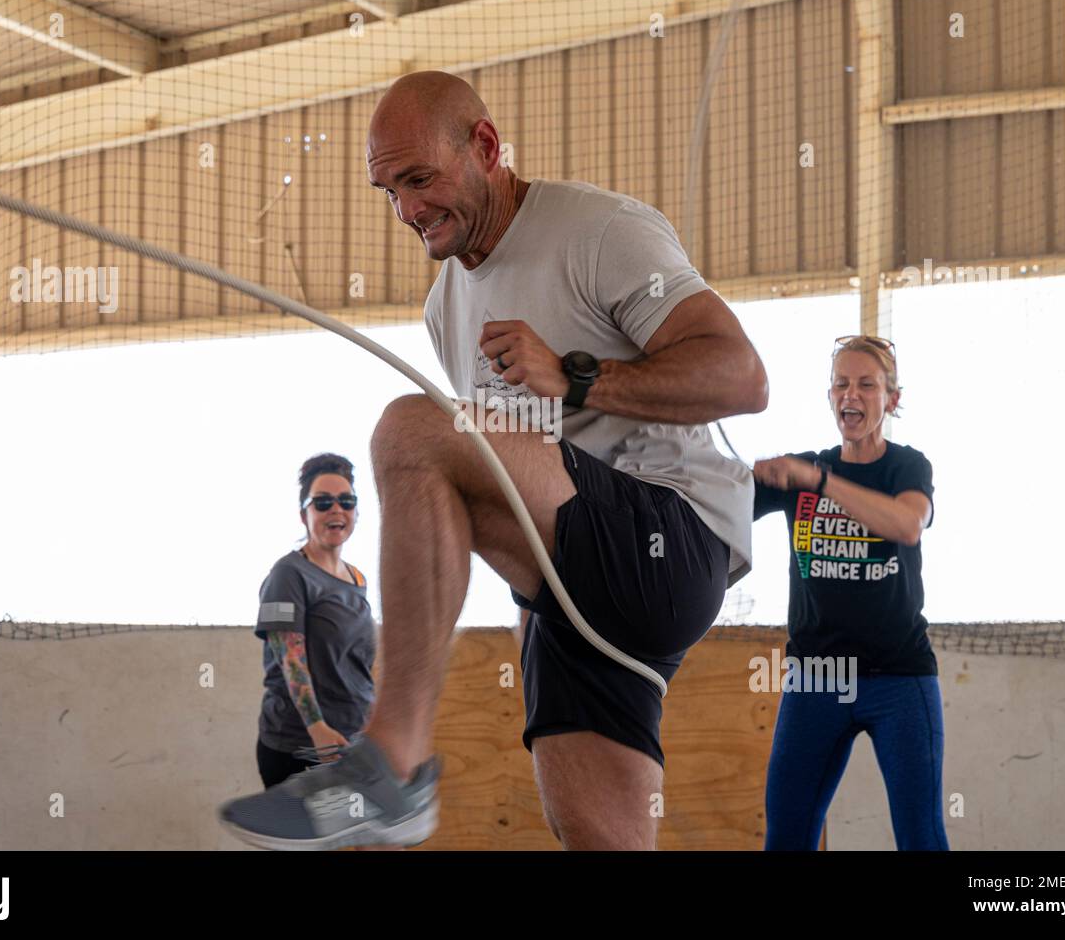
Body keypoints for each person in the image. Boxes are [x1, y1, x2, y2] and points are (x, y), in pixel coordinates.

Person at [220, 70, 768, 851]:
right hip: (572, 592)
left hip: (669, 538)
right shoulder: (445, 308)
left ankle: (391, 767)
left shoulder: (599, 229)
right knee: (597, 835)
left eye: (419, 178)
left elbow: (743, 379)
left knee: (410, 432)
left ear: (483, 147)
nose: (407, 211)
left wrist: (578, 374)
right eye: (389, 192)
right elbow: (498, 489)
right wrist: (537, 631)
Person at [752, 334, 948, 850]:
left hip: (899, 677)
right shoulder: (801, 468)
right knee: (787, 837)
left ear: (892, 399)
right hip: (816, 677)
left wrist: (818, 482)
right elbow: (717, 502)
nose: (851, 395)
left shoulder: (907, 467)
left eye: (866, 385)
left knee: (921, 837)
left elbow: (907, 524)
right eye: (841, 384)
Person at [253, 453, 375, 790]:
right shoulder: (288, 574)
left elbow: (355, 666)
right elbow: (290, 658)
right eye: (322, 503)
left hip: (352, 743)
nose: (336, 509)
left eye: (346, 501)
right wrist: (317, 728)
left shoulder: (357, 579)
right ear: (303, 514)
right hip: (302, 746)